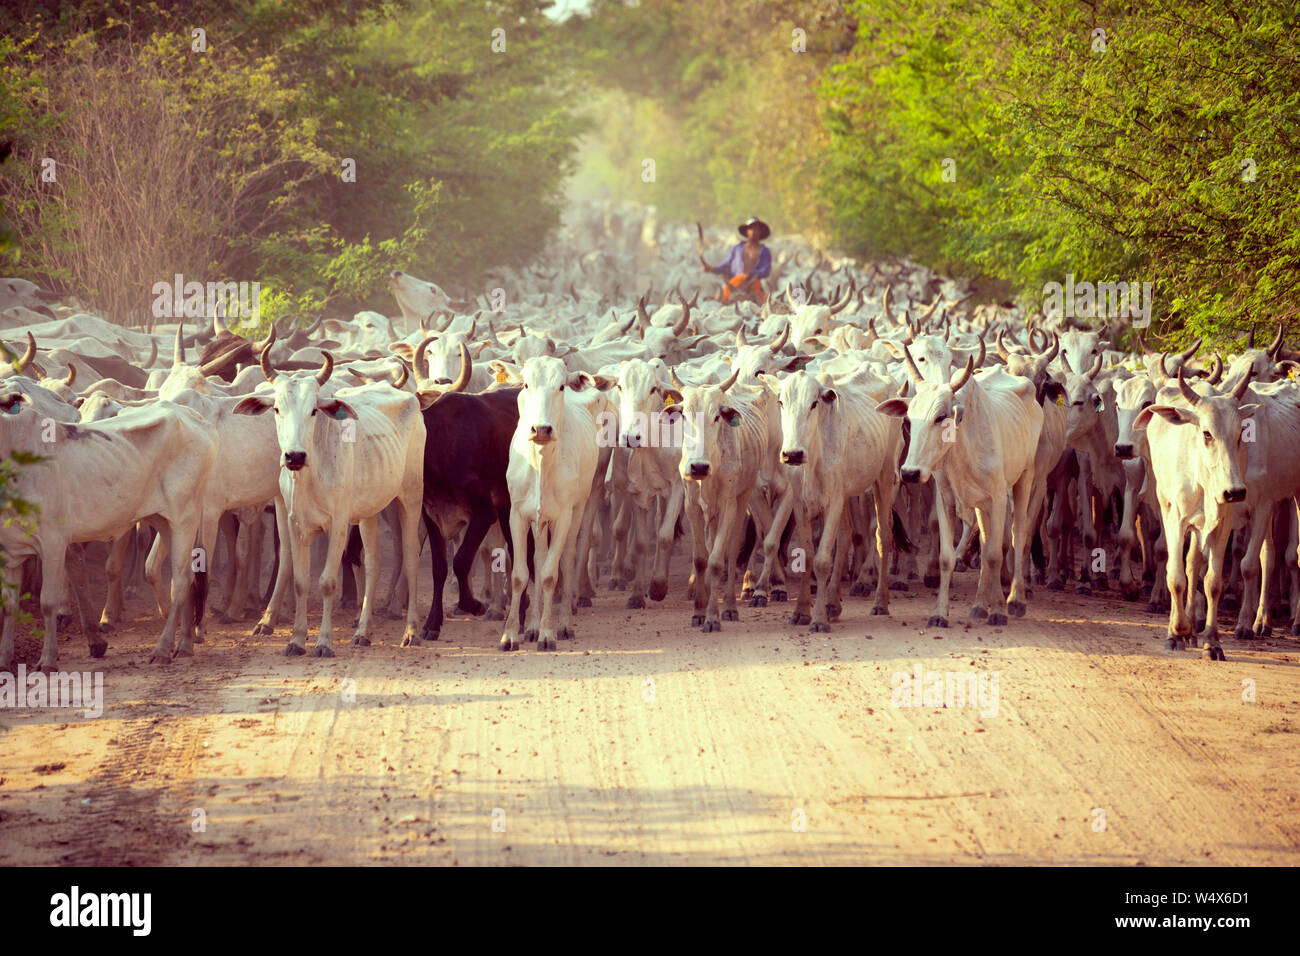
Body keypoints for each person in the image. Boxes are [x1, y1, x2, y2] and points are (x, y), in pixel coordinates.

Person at [704, 217, 771, 304]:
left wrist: (751, 274)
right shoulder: (737, 248)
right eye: (751, 229)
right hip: (735, 284)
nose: (754, 231)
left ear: (760, 231)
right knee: (718, 301)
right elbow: (726, 265)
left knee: (764, 305)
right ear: (747, 231)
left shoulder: (764, 251)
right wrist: (713, 269)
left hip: (753, 284)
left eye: (756, 229)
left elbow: (766, 270)